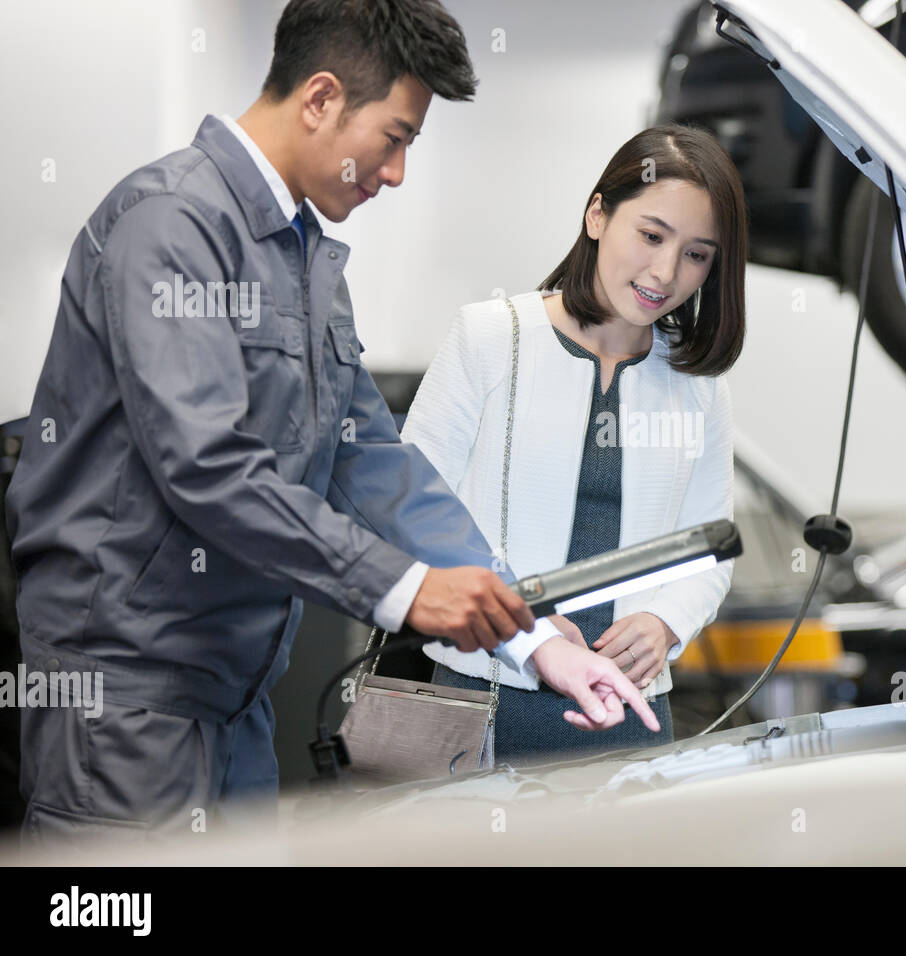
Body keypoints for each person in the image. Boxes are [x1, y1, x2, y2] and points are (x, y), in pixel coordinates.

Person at [3, 0, 657, 847]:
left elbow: (371, 464)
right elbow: (207, 466)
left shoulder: (305, 258)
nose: (395, 174)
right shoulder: (169, 225)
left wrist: (531, 638)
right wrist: (409, 589)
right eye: (395, 138)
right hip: (126, 705)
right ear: (319, 99)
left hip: (235, 702)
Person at [401, 124, 746, 762]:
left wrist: (666, 623)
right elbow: (414, 510)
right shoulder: (490, 336)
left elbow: (712, 545)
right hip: (482, 701)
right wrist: (520, 623)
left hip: (633, 714)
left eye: (697, 254)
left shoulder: (698, 386)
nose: (666, 272)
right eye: (651, 235)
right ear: (596, 215)